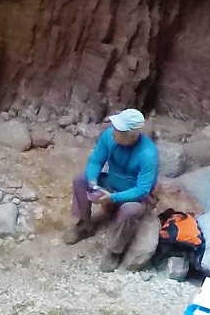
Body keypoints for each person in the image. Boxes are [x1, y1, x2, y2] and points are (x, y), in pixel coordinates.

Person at [62, 108, 159, 272]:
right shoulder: (109, 136)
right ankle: (84, 225)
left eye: (119, 130)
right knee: (81, 179)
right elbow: (95, 161)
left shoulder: (148, 153)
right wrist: (93, 182)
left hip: (135, 195)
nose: (113, 131)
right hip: (112, 183)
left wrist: (112, 197)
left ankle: (115, 250)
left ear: (132, 135)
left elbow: (142, 190)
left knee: (130, 210)